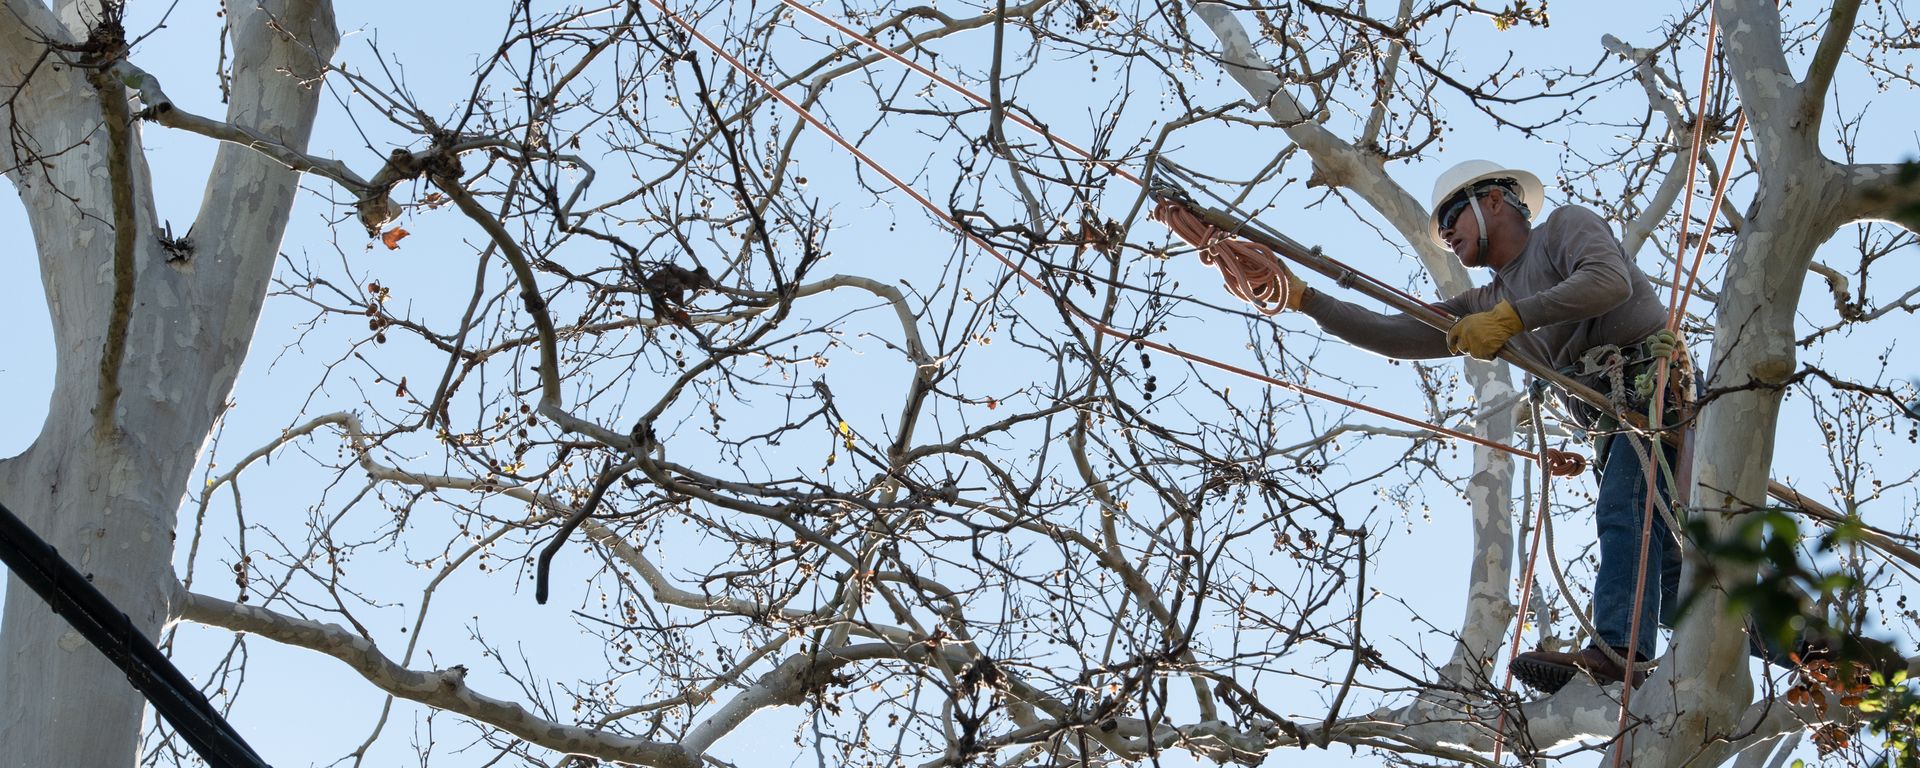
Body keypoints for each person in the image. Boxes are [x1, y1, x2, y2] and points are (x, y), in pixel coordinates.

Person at [1271, 159, 1688, 692]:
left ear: (1495, 200)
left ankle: (1619, 652)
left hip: (1654, 401)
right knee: (1677, 586)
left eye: (1451, 215)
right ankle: (1806, 647)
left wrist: (1515, 319)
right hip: (1616, 424)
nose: (1446, 233)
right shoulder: (1482, 303)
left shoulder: (1564, 228)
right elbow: (1396, 332)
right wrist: (1307, 300)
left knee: (1622, 512)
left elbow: (1607, 281)